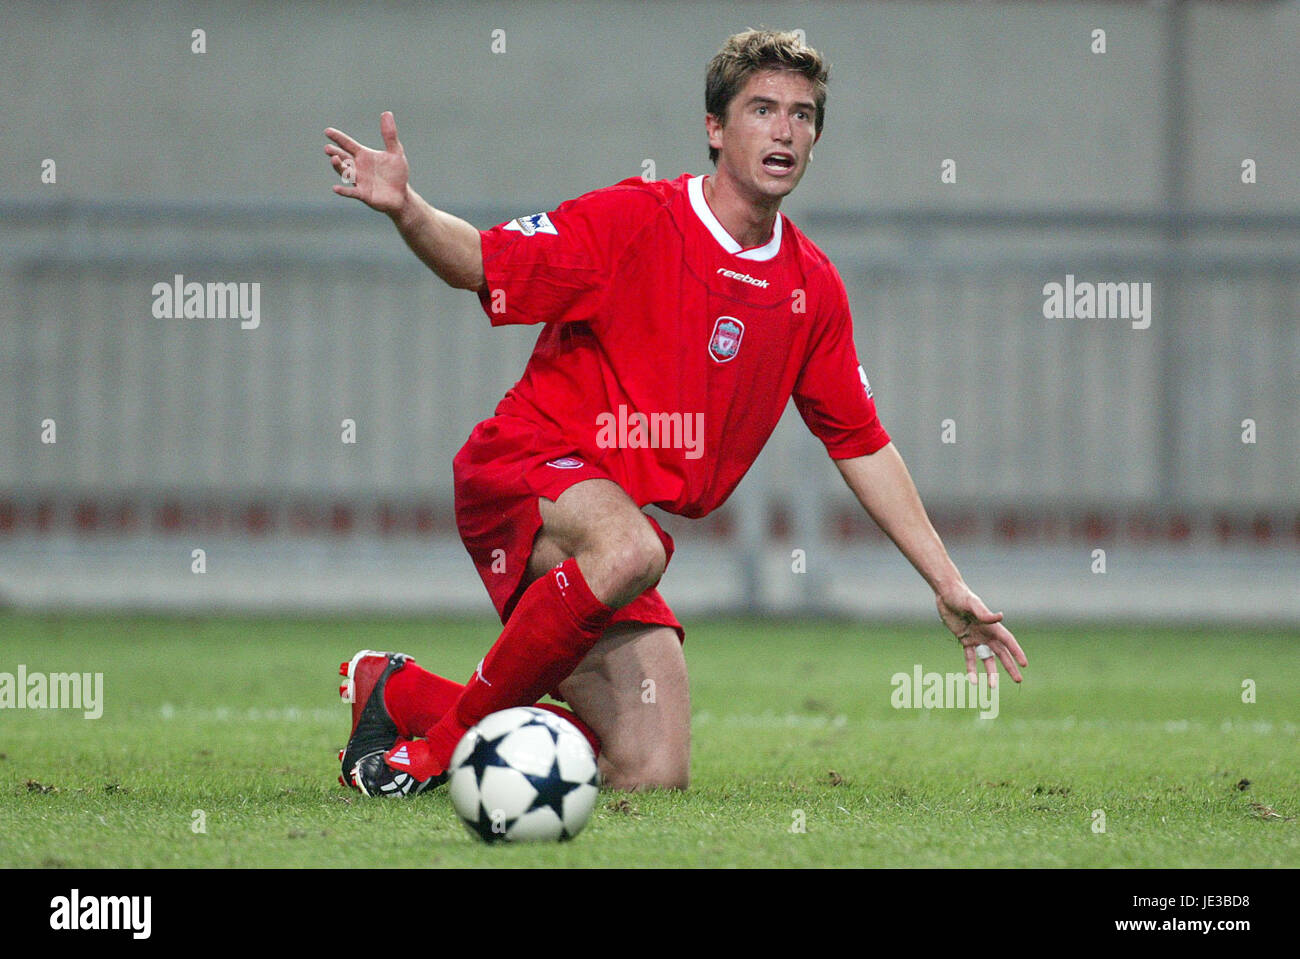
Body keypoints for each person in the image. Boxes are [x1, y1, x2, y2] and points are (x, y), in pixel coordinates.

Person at [323, 28, 1027, 796]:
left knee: (651, 771)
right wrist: (407, 209)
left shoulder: (811, 288)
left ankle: (396, 693)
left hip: (606, 531)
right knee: (633, 550)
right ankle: (435, 755)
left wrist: (947, 582)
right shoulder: (636, 219)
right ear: (716, 129)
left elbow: (861, 442)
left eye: (801, 114)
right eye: (762, 109)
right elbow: (483, 263)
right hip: (524, 467)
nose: (784, 128)